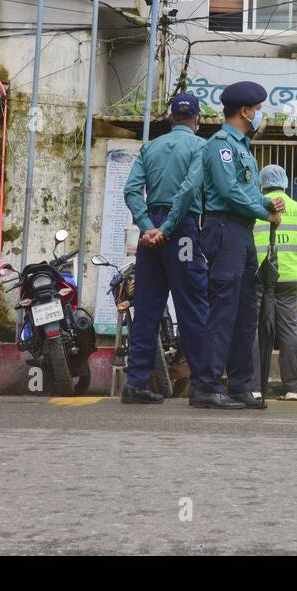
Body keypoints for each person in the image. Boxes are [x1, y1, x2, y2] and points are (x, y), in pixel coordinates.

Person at [198, 81, 284, 410]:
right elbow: (229, 191)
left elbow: (246, 192)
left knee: (247, 312)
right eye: (258, 109)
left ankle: (239, 385)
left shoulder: (243, 146)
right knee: (223, 311)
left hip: (243, 233)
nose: (261, 114)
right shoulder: (221, 145)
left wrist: (268, 203)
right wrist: (264, 212)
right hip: (224, 230)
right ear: (245, 111)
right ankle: (206, 385)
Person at [120, 92, 208, 405]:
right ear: (197, 120)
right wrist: (168, 228)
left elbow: (131, 191)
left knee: (145, 307)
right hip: (181, 227)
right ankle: (202, 383)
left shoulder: (150, 147)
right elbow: (188, 190)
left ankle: (136, 382)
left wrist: (148, 228)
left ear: (170, 118)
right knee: (191, 305)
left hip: (151, 232)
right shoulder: (201, 146)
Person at [253, 165, 297, 400]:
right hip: (288, 276)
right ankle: (292, 389)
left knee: (253, 329)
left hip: (259, 275)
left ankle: (253, 387)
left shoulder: (253, 205)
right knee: (289, 330)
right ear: (285, 182)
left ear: (261, 183)